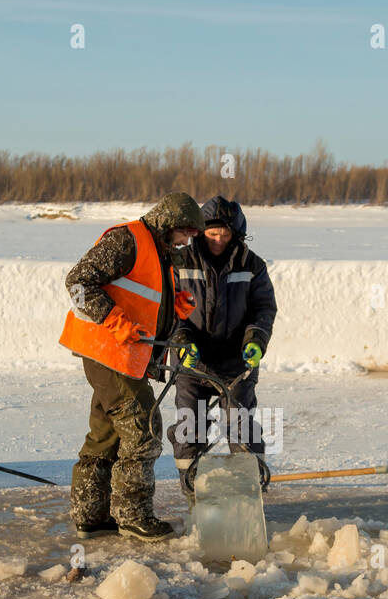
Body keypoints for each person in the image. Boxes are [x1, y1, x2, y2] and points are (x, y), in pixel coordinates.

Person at [59, 193, 202, 541]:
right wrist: (113, 319)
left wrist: (173, 307)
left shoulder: (162, 251)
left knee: (106, 434)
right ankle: (133, 516)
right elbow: (77, 282)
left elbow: (142, 296)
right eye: (186, 232)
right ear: (169, 223)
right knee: (143, 430)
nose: (188, 240)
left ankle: (90, 514)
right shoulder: (127, 239)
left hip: (121, 356)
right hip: (110, 352)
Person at [169, 195, 277, 501]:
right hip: (192, 363)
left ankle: (249, 493)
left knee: (239, 425)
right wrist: (182, 341)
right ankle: (194, 494)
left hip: (237, 364)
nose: (218, 239)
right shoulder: (180, 262)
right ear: (200, 231)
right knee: (190, 426)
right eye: (212, 233)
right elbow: (169, 311)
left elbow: (263, 309)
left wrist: (256, 340)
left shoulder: (251, 264)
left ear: (237, 234)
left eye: (225, 234)